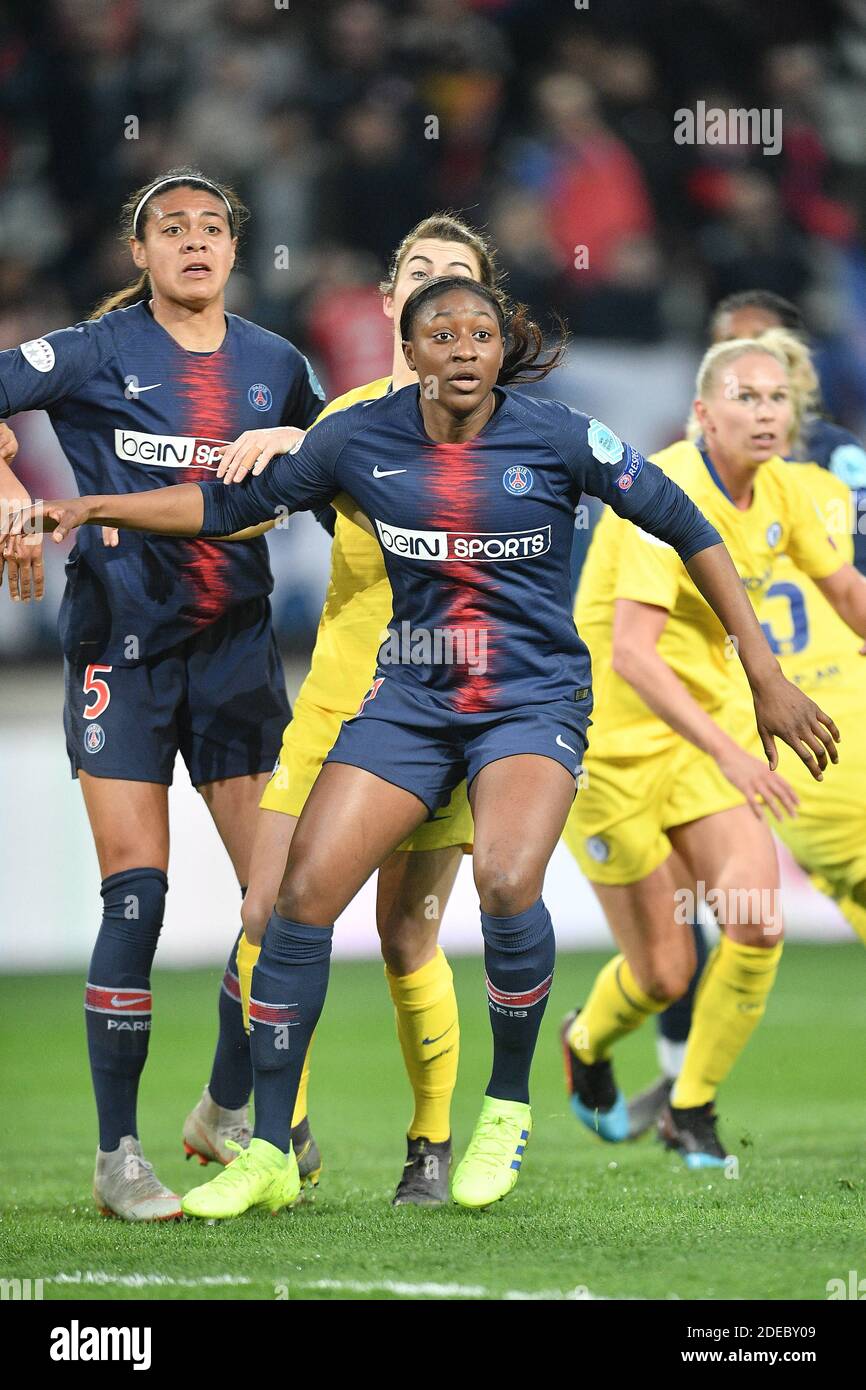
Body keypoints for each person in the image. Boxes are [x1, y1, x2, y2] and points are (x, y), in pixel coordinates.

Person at [9, 278, 838, 1218]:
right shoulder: (360, 437)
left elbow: (687, 523)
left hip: (530, 701)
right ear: (410, 348)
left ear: (499, 348)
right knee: (298, 901)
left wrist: (764, 670)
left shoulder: (558, 435)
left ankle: (506, 1109)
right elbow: (227, 508)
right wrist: (92, 509)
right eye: (441, 332)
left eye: (481, 332)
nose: (463, 347)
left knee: (508, 882)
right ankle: (272, 1151)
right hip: (409, 696)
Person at [0, 168, 325, 1220]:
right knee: (136, 895)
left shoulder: (276, 365)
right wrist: (10, 489)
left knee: (278, 909)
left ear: (236, 250)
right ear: (137, 255)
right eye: (169, 228)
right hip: (118, 650)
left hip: (238, 649)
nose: (194, 240)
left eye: (213, 226)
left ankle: (226, 1107)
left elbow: (347, 472)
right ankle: (116, 1157)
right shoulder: (94, 351)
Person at [188, 214, 502, 1206]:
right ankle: (277, 1137)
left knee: (406, 933)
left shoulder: (511, 426)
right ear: (389, 305)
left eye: (458, 277)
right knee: (269, 910)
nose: (438, 290)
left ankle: (429, 1142)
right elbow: (254, 499)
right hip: (334, 701)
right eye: (419, 273)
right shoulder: (345, 421)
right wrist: (294, 442)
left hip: (440, 707)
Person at [560, 330, 866, 1166]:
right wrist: (736, 756)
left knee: (756, 923)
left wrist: (729, 751)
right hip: (612, 750)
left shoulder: (784, 493)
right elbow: (632, 654)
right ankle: (586, 1040)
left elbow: (844, 589)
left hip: (711, 738)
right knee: (661, 973)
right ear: (703, 413)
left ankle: (689, 1109)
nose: (765, 412)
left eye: (776, 398)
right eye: (745, 396)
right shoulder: (662, 494)